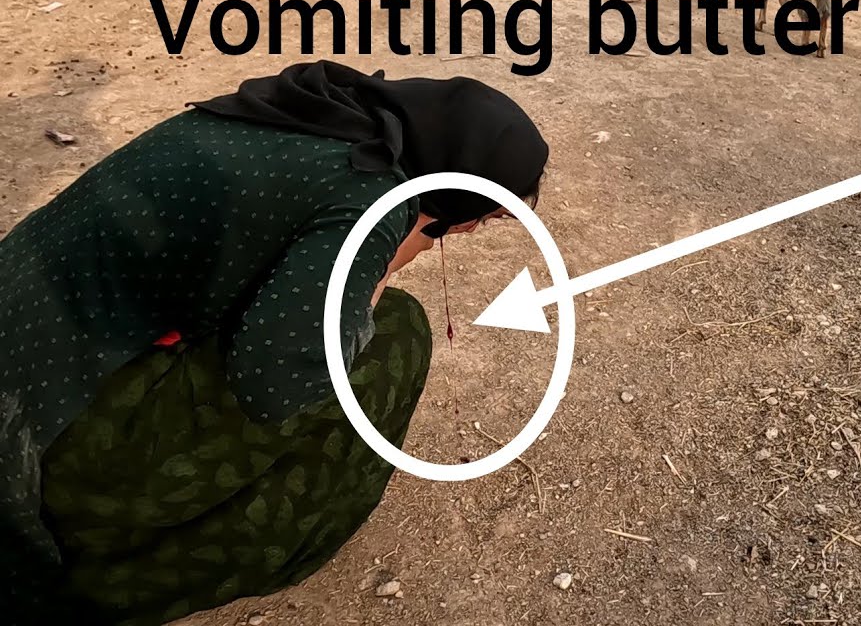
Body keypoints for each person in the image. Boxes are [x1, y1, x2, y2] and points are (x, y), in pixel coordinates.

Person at [0, 60, 550, 626]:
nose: (471, 230)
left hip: (34, 337)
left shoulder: (326, 114)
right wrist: (383, 267)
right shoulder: (368, 202)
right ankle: (147, 568)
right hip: (44, 430)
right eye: (482, 217)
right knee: (395, 337)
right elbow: (276, 383)